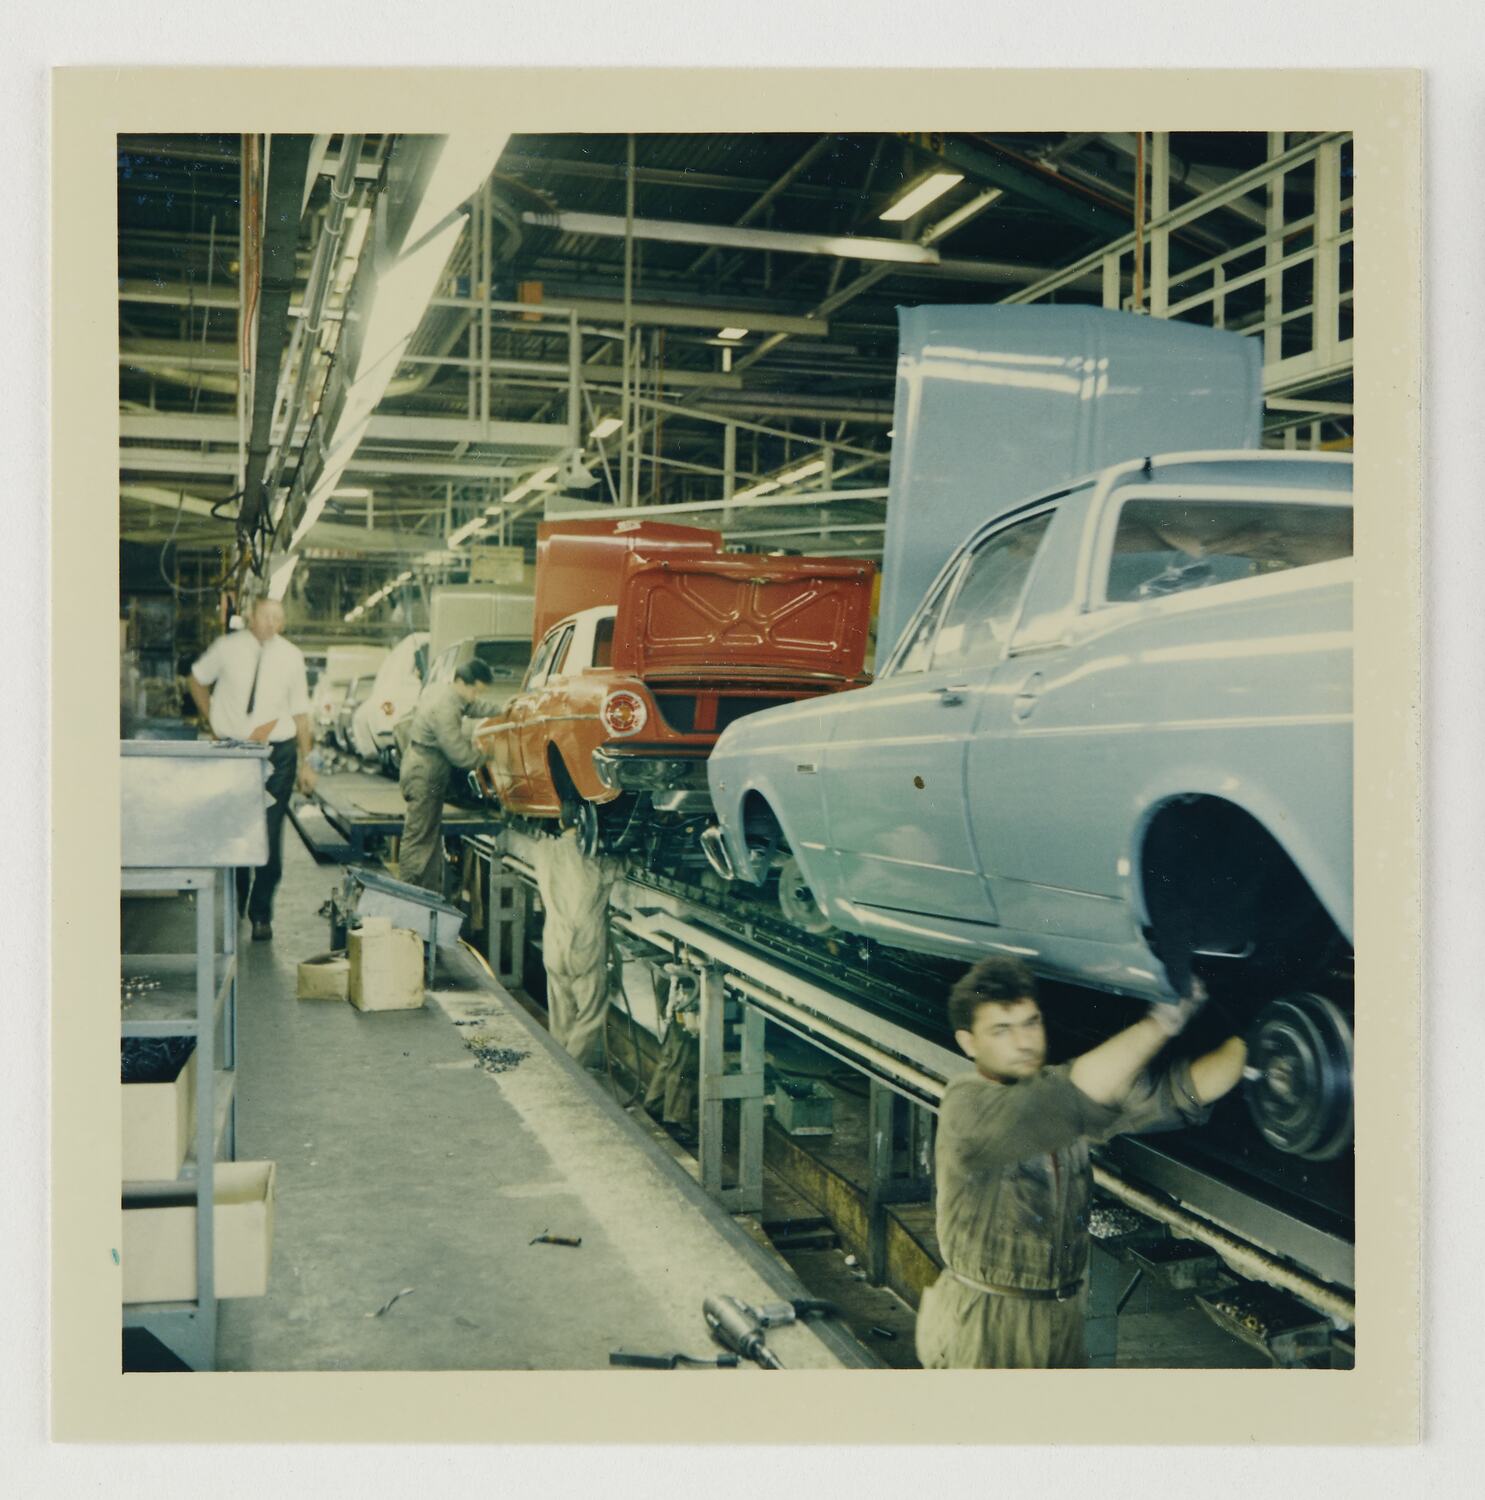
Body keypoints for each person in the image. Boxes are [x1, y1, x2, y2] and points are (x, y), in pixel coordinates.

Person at [914, 955, 1247, 1370]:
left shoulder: (1051, 1096)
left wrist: (1249, 1039)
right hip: (983, 1321)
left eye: (1031, 1023)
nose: (1023, 1042)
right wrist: (1162, 1021)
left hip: (1061, 1313)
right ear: (968, 1042)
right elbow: (1072, 1095)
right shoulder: (966, 1105)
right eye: (1001, 1030)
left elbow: (1176, 1092)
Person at [188, 598, 316, 941]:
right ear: (250, 618)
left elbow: (302, 713)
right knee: (235, 829)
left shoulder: (291, 656)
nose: (272, 624)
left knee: (269, 833)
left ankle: (262, 913)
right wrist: (211, 719)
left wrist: (309, 763)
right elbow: (197, 679)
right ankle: (237, 900)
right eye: (266, 616)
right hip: (235, 751)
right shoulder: (226, 649)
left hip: (278, 753)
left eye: (278, 618)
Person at [397, 658, 498, 894]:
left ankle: (423, 894)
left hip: (422, 766)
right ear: (461, 682)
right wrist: (489, 758)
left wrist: (506, 709)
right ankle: (410, 895)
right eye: (474, 690)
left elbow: (474, 707)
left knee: (427, 836)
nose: (475, 696)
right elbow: (458, 753)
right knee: (420, 837)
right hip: (425, 771)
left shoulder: (447, 692)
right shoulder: (446, 706)